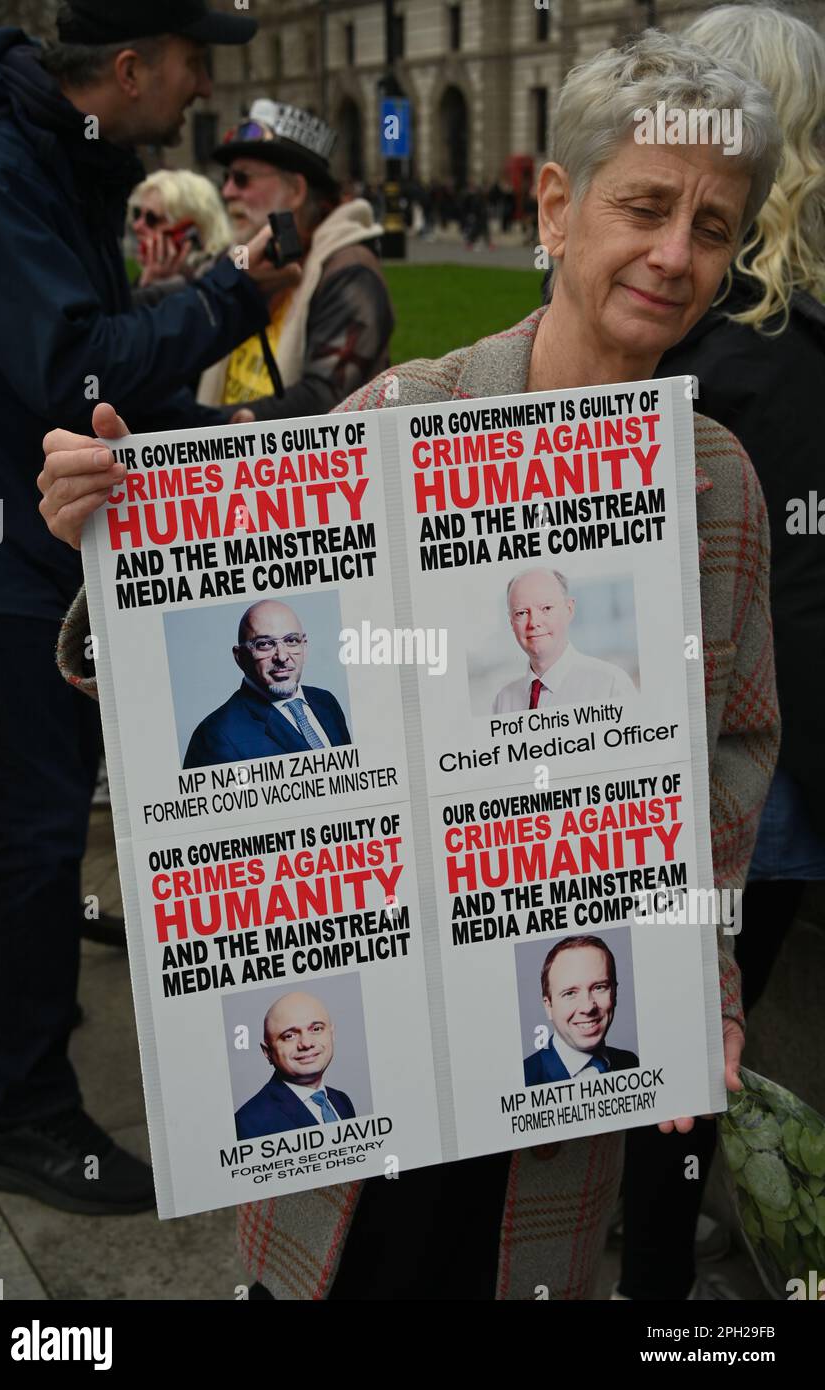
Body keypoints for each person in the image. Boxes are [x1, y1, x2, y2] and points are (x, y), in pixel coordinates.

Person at [40, 30, 781, 1298]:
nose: (674, 254)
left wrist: (696, 976)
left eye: (712, 228)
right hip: (360, 1067)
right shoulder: (402, 420)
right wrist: (109, 540)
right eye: (645, 207)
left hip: (554, 1058)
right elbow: (199, 658)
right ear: (556, 204)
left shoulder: (717, 481)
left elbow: (729, 758)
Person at [0, 0, 295, 1217]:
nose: (205, 89)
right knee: (32, 835)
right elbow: (77, 368)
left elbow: (107, 415)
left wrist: (249, 432)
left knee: (7, 831)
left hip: (23, 534)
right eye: (196, 63)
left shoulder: (60, 155)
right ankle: (28, 1114)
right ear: (128, 67)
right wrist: (223, 302)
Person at [616, 2, 825, 1304]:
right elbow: (796, 606)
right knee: (694, 1054)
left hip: (692, 756)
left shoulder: (706, 330)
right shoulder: (770, 346)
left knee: (681, 1046)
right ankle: (660, 1249)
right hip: (745, 772)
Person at [198, 99, 395, 421]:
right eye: (226, 179)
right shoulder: (237, 256)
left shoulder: (350, 270)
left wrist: (199, 427)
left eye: (242, 178)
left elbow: (326, 401)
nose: (228, 191)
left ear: (296, 191)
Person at [183, 600, 351, 768]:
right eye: (264, 644)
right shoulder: (215, 736)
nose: (282, 656)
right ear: (240, 657)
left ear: (304, 647)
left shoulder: (326, 701)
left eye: (291, 640)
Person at [492, 567, 638, 713]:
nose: (534, 622)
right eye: (521, 613)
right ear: (511, 622)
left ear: (569, 609)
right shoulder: (503, 701)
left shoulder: (610, 686)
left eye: (546, 608)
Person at [235, 992, 356, 1141]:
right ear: (267, 1052)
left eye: (316, 1029)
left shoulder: (341, 1101)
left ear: (332, 1034)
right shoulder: (248, 1123)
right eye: (289, 1036)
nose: (306, 1043)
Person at [523, 936, 639, 1086]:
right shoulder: (525, 1079)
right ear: (548, 1006)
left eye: (599, 987)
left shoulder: (631, 1062)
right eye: (570, 993)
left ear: (614, 993)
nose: (588, 1007)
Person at [128, 168, 234, 296]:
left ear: (190, 231)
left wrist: (156, 291)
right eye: (137, 214)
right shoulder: (138, 280)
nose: (137, 226)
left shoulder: (218, 279)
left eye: (152, 219)